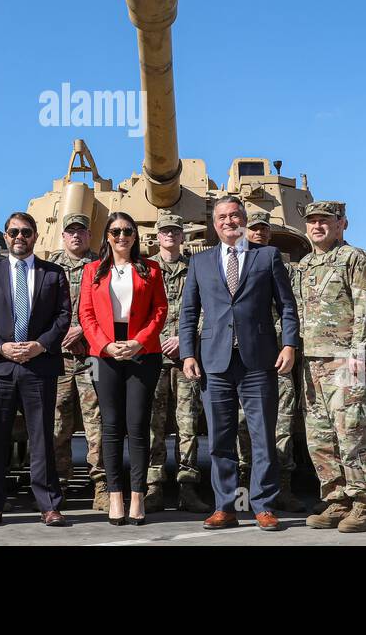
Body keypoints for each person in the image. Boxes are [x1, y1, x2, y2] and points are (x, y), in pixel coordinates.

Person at [179, 195, 298, 531]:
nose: (229, 221)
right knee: (219, 439)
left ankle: (263, 505)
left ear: (243, 219)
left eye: (234, 215)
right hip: (214, 362)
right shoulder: (200, 264)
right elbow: (188, 313)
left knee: (262, 437)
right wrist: (188, 353)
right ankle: (225, 507)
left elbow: (287, 306)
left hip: (258, 360)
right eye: (222, 217)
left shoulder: (267, 256)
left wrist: (288, 345)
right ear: (214, 224)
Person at [0, 211, 71, 527]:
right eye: (13, 232)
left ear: (36, 236)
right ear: (5, 235)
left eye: (26, 232)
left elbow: (63, 316)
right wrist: (1, 346)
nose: (19, 237)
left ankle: (48, 505)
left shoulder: (53, 274)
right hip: (0, 366)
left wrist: (40, 345)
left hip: (38, 366)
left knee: (42, 438)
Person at [290, 201, 366, 532]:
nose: (318, 226)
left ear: (342, 223)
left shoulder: (354, 259)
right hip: (311, 363)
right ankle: (336, 499)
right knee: (320, 437)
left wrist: (359, 350)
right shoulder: (303, 266)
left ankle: (362, 504)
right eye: (312, 221)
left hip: (347, 361)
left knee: (353, 434)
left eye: (325, 221)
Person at [79, 213, 167, 524]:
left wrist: (139, 342)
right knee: (112, 426)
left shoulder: (151, 269)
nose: (121, 236)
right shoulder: (92, 271)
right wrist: (105, 345)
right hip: (102, 355)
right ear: (107, 236)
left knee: (138, 426)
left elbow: (160, 310)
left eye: (128, 231)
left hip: (143, 353)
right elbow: (86, 314)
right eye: (115, 231)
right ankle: (115, 495)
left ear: (135, 236)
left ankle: (137, 497)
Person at [238, 209, 305, 513]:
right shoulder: (232, 266)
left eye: (264, 229)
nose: (260, 234)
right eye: (253, 229)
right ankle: (244, 486)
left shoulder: (286, 267)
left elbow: (295, 307)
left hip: (279, 358)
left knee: (282, 423)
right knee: (242, 424)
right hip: (244, 358)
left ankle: (282, 485)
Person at [146, 211, 209, 513]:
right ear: (157, 236)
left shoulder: (195, 268)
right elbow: (134, 311)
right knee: (153, 425)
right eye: (165, 231)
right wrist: (155, 341)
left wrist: (188, 341)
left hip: (186, 358)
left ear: (183, 235)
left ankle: (188, 487)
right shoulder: (145, 270)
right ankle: (154, 486)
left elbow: (207, 307)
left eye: (175, 231)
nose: (170, 235)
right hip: (151, 357)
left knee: (188, 425)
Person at [49, 213, 107, 511]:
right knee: (58, 421)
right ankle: (58, 485)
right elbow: (37, 307)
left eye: (81, 232)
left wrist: (83, 328)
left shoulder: (101, 266)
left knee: (96, 421)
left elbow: (111, 306)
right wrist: (57, 334)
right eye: (70, 231)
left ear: (89, 235)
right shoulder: (48, 268)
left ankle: (101, 486)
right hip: (57, 357)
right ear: (63, 236)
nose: (76, 237)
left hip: (92, 356)